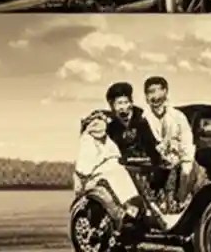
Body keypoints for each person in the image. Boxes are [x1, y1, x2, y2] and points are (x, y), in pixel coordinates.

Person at [74, 109, 151, 232]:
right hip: (97, 175)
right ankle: (125, 214)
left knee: (128, 176)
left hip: (113, 168)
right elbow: (84, 167)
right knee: (115, 179)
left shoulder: (107, 140)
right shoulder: (87, 140)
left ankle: (136, 209)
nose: (98, 126)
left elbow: (116, 155)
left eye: (102, 122)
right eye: (94, 123)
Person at [141, 75, 203, 207]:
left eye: (158, 91)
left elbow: (187, 144)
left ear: (165, 92)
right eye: (150, 92)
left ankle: (180, 203)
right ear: (146, 97)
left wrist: (183, 164)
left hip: (177, 163)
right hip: (153, 166)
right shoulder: (142, 119)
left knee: (191, 170)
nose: (155, 97)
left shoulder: (178, 117)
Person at [104, 81, 164, 168]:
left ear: (131, 103)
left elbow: (153, 148)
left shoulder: (143, 119)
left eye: (126, 102)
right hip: (122, 167)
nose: (123, 107)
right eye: (119, 103)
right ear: (112, 106)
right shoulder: (111, 126)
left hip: (147, 167)